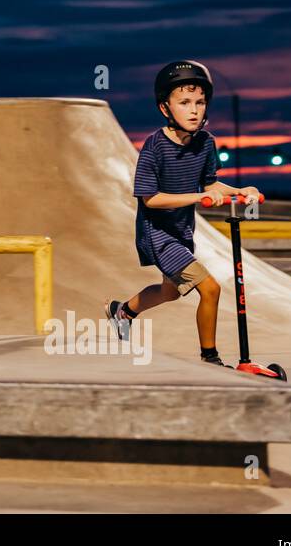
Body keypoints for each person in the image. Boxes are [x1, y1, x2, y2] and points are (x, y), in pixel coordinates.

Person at [105, 60, 260, 366]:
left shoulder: (206, 143)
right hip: (158, 233)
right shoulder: (154, 147)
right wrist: (201, 196)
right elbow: (150, 199)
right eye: (184, 102)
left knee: (171, 292)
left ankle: (123, 311)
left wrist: (242, 191)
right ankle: (210, 358)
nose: (194, 110)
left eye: (200, 103)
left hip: (181, 231)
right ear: (166, 108)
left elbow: (211, 182)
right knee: (210, 288)